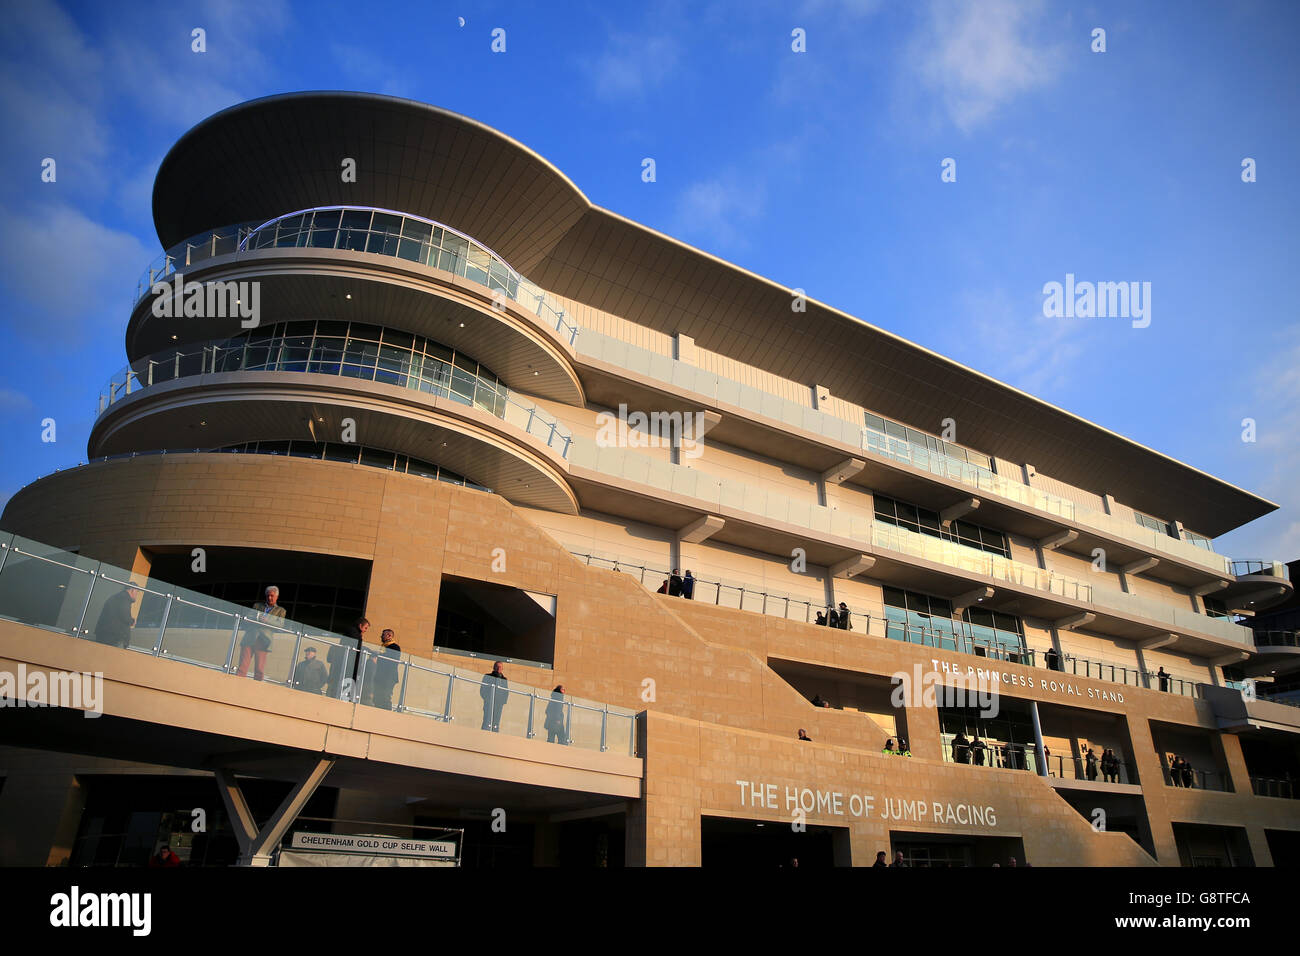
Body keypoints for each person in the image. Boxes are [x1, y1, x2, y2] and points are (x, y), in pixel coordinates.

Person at [236, 585, 286, 680]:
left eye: (272, 595)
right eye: (267, 595)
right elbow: (248, 617)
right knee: (243, 665)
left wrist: (267, 621)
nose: (269, 598)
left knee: (259, 668)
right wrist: (258, 618)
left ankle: (256, 688)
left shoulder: (281, 611)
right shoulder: (257, 606)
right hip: (250, 637)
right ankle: (237, 683)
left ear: (276, 597)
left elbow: (280, 625)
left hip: (264, 640)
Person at [329, 617, 368, 699]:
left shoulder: (354, 633)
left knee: (346, 686)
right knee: (345, 686)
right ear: (360, 626)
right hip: (349, 665)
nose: (366, 630)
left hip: (350, 665)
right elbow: (356, 646)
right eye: (365, 628)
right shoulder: (353, 633)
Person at [93, 582, 141, 648]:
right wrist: (132, 621)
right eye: (137, 592)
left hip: (104, 635)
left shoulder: (115, 597)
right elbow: (124, 616)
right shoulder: (124, 599)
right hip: (115, 638)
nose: (136, 595)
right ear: (132, 590)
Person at [369, 629, 402, 710]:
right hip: (381, 676)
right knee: (377, 696)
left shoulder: (395, 647)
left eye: (383, 635)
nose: (381, 636)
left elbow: (392, 662)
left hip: (388, 677)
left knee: (385, 697)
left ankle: (386, 715)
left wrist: (379, 656)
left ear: (389, 636)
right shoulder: (384, 647)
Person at [480, 661, 508, 731]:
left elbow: (506, 692)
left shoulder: (504, 680)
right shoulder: (488, 676)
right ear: (494, 667)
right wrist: (487, 699)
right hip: (489, 702)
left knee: (496, 721)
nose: (499, 668)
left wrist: (502, 702)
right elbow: (483, 689)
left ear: (502, 668)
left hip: (498, 704)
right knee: (487, 719)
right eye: (497, 667)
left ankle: (495, 735)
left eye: (500, 667)